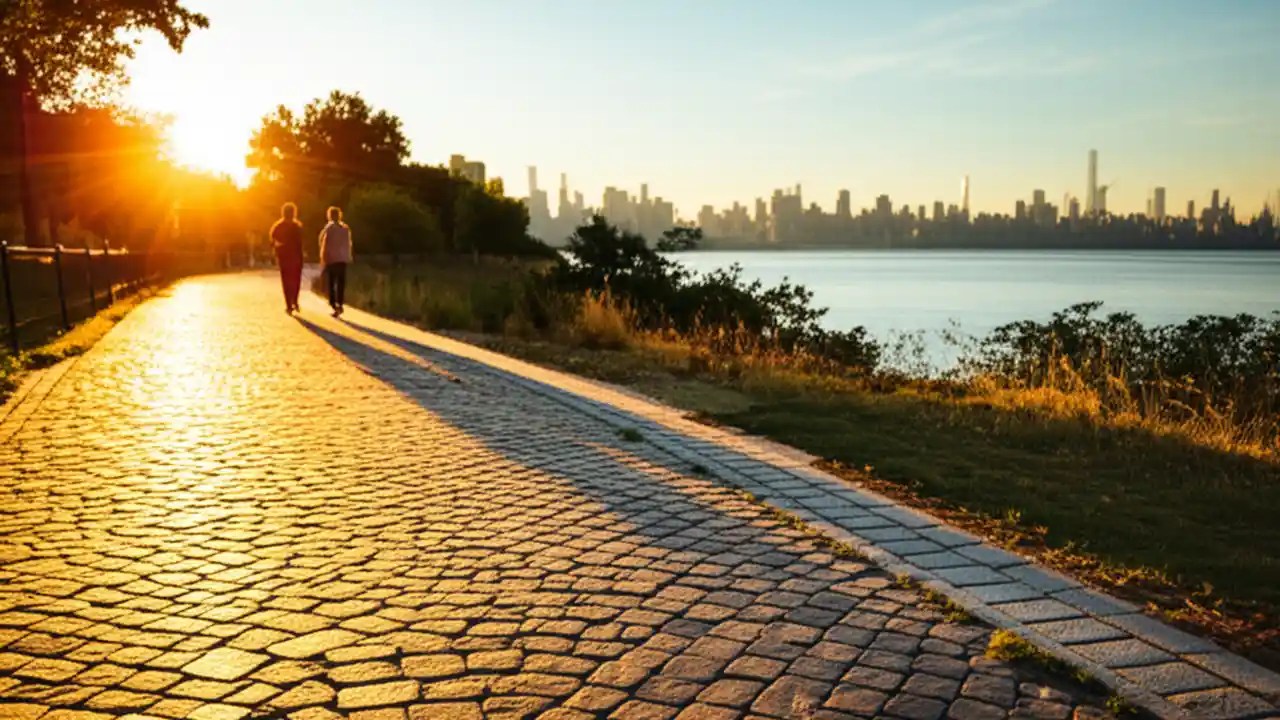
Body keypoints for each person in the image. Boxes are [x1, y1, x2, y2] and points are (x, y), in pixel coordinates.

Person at [270, 202, 304, 313]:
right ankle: (295, 300)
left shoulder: (278, 226)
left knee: (286, 281)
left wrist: (277, 249)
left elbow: (272, 240)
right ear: (294, 213)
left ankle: (289, 304)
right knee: (296, 280)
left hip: (283, 257)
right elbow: (300, 244)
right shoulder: (297, 226)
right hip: (295, 257)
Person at [319, 206, 353, 316]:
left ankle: (334, 305)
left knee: (331, 282)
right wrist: (348, 256)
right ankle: (340, 303)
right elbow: (348, 244)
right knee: (341, 283)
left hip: (332, 259)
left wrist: (323, 258)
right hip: (342, 259)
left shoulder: (329, 228)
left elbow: (323, 243)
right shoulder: (345, 228)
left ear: (329, 215)